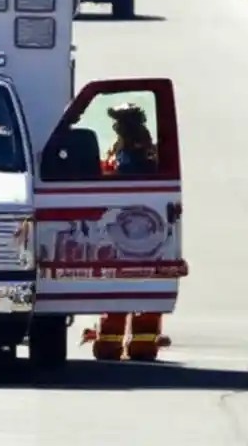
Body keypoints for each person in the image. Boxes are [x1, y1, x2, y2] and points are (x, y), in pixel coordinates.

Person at [89, 102, 167, 361]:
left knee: (119, 283)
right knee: (142, 284)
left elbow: (122, 182)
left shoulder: (134, 153)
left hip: (127, 227)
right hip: (142, 228)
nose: (116, 126)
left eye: (120, 122)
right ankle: (140, 345)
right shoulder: (141, 149)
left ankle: (113, 345)